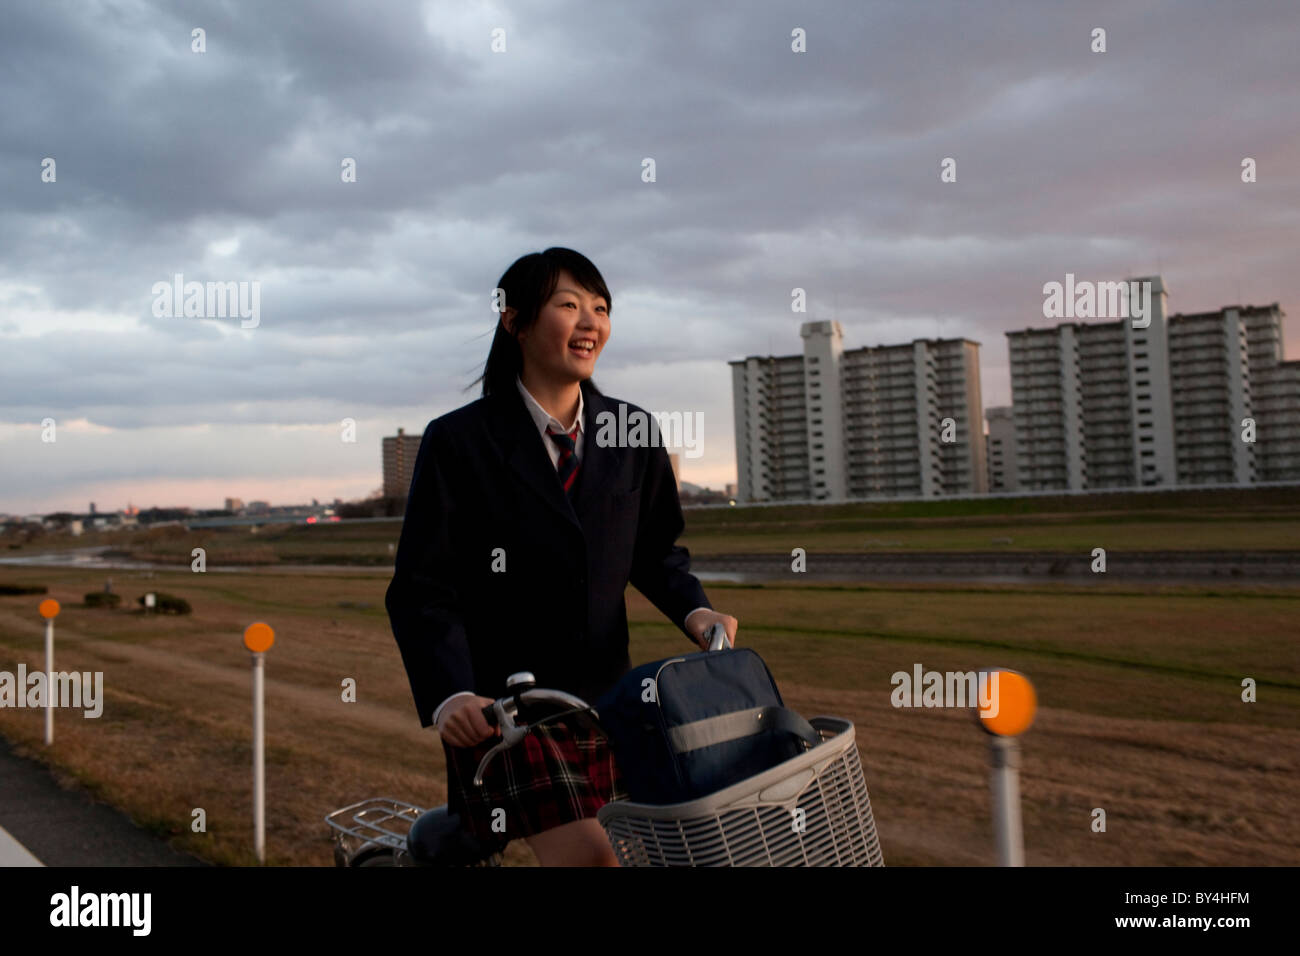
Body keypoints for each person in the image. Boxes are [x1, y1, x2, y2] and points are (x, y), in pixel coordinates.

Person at [385, 247, 739, 867]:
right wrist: (451, 696)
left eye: (600, 308)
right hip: (504, 715)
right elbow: (423, 587)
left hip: (611, 703)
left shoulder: (633, 432)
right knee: (594, 860)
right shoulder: (458, 441)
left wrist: (698, 612)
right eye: (568, 305)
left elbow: (656, 553)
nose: (590, 322)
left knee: (672, 847)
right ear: (515, 321)